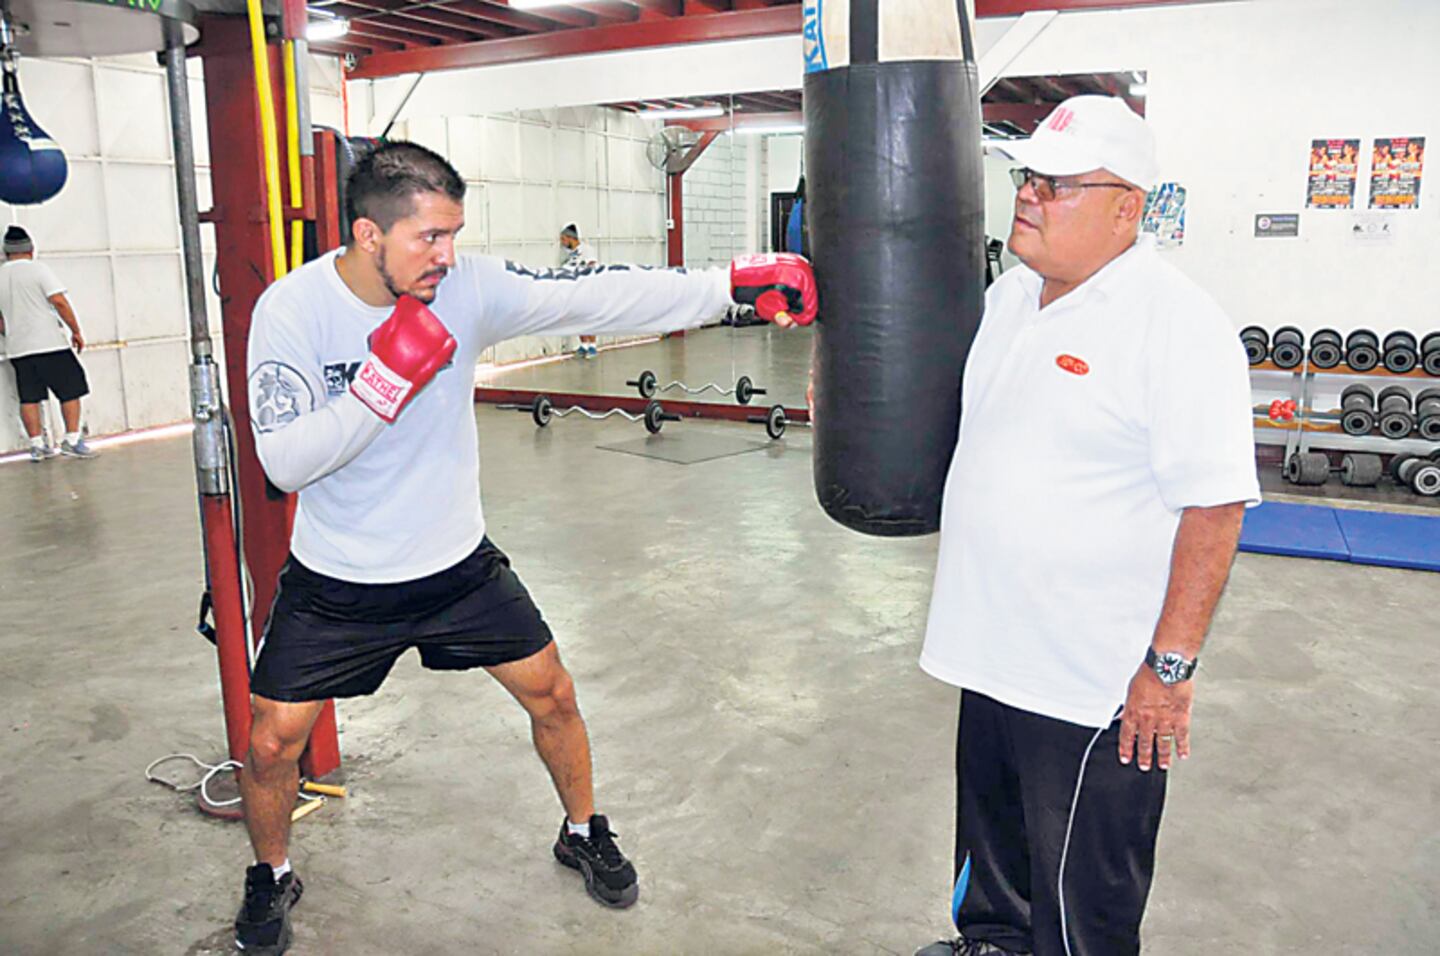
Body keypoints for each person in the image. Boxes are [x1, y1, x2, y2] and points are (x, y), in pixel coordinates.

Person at [235, 142, 816, 955]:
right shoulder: (291, 311)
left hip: (455, 565)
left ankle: (582, 829)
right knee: (269, 742)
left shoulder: (463, 287)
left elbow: (597, 294)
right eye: (427, 238)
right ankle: (270, 874)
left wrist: (728, 288)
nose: (446, 255)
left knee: (555, 695)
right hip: (340, 576)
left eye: (454, 234)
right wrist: (383, 382)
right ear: (369, 235)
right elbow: (284, 461)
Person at [911, 97, 1259, 956]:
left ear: (1125, 207)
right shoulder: (1006, 299)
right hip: (989, 656)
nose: (1028, 196)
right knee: (991, 876)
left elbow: (1213, 509)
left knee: (1082, 910)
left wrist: (1166, 673)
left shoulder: (1177, 325)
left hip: (1091, 686)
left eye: (1057, 185)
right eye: (1028, 177)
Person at [0, 225, 96, 460]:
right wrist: (76, 330)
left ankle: (37, 446)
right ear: (31, 249)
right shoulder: (38, 270)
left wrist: (10, 332)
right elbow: (59, 302)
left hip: (18, 348)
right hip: (49, 343)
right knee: (70, 390)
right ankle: (72, 441)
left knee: (29, 396)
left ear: (5, 252)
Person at [559, 223, 600, 357]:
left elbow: (592, 266)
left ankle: (592, 346)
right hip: (574, 291)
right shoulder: (569, 255)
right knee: (578, 318)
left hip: (587, 289)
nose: (563, 243)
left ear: (571, 238)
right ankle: (584, 345)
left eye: (564, 239)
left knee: (588, 317)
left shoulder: (587, 250)